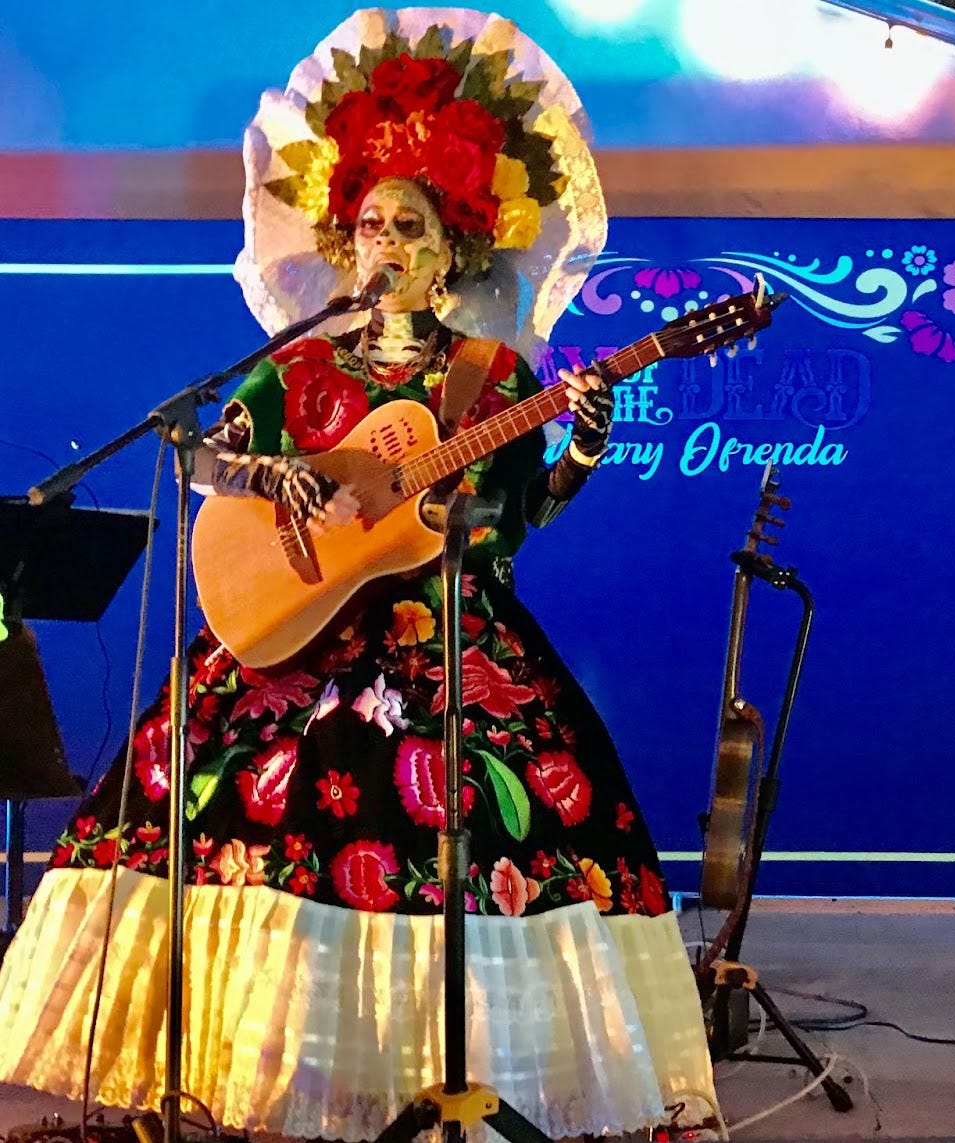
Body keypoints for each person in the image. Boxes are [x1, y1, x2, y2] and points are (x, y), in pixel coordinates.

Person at [0, 10, 716, 1141]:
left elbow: (521, 518)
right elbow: (200, 460)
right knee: (193, 789)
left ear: (453, 248)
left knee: (484, 804)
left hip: (449, 633)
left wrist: (582, 444)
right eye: (371, 222)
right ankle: (253, 1071)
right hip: (291, 626)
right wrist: (272, 473)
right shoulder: (299, 365)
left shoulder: (491, 373)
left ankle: (436, 1078)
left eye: (409, 224)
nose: (385, 240)